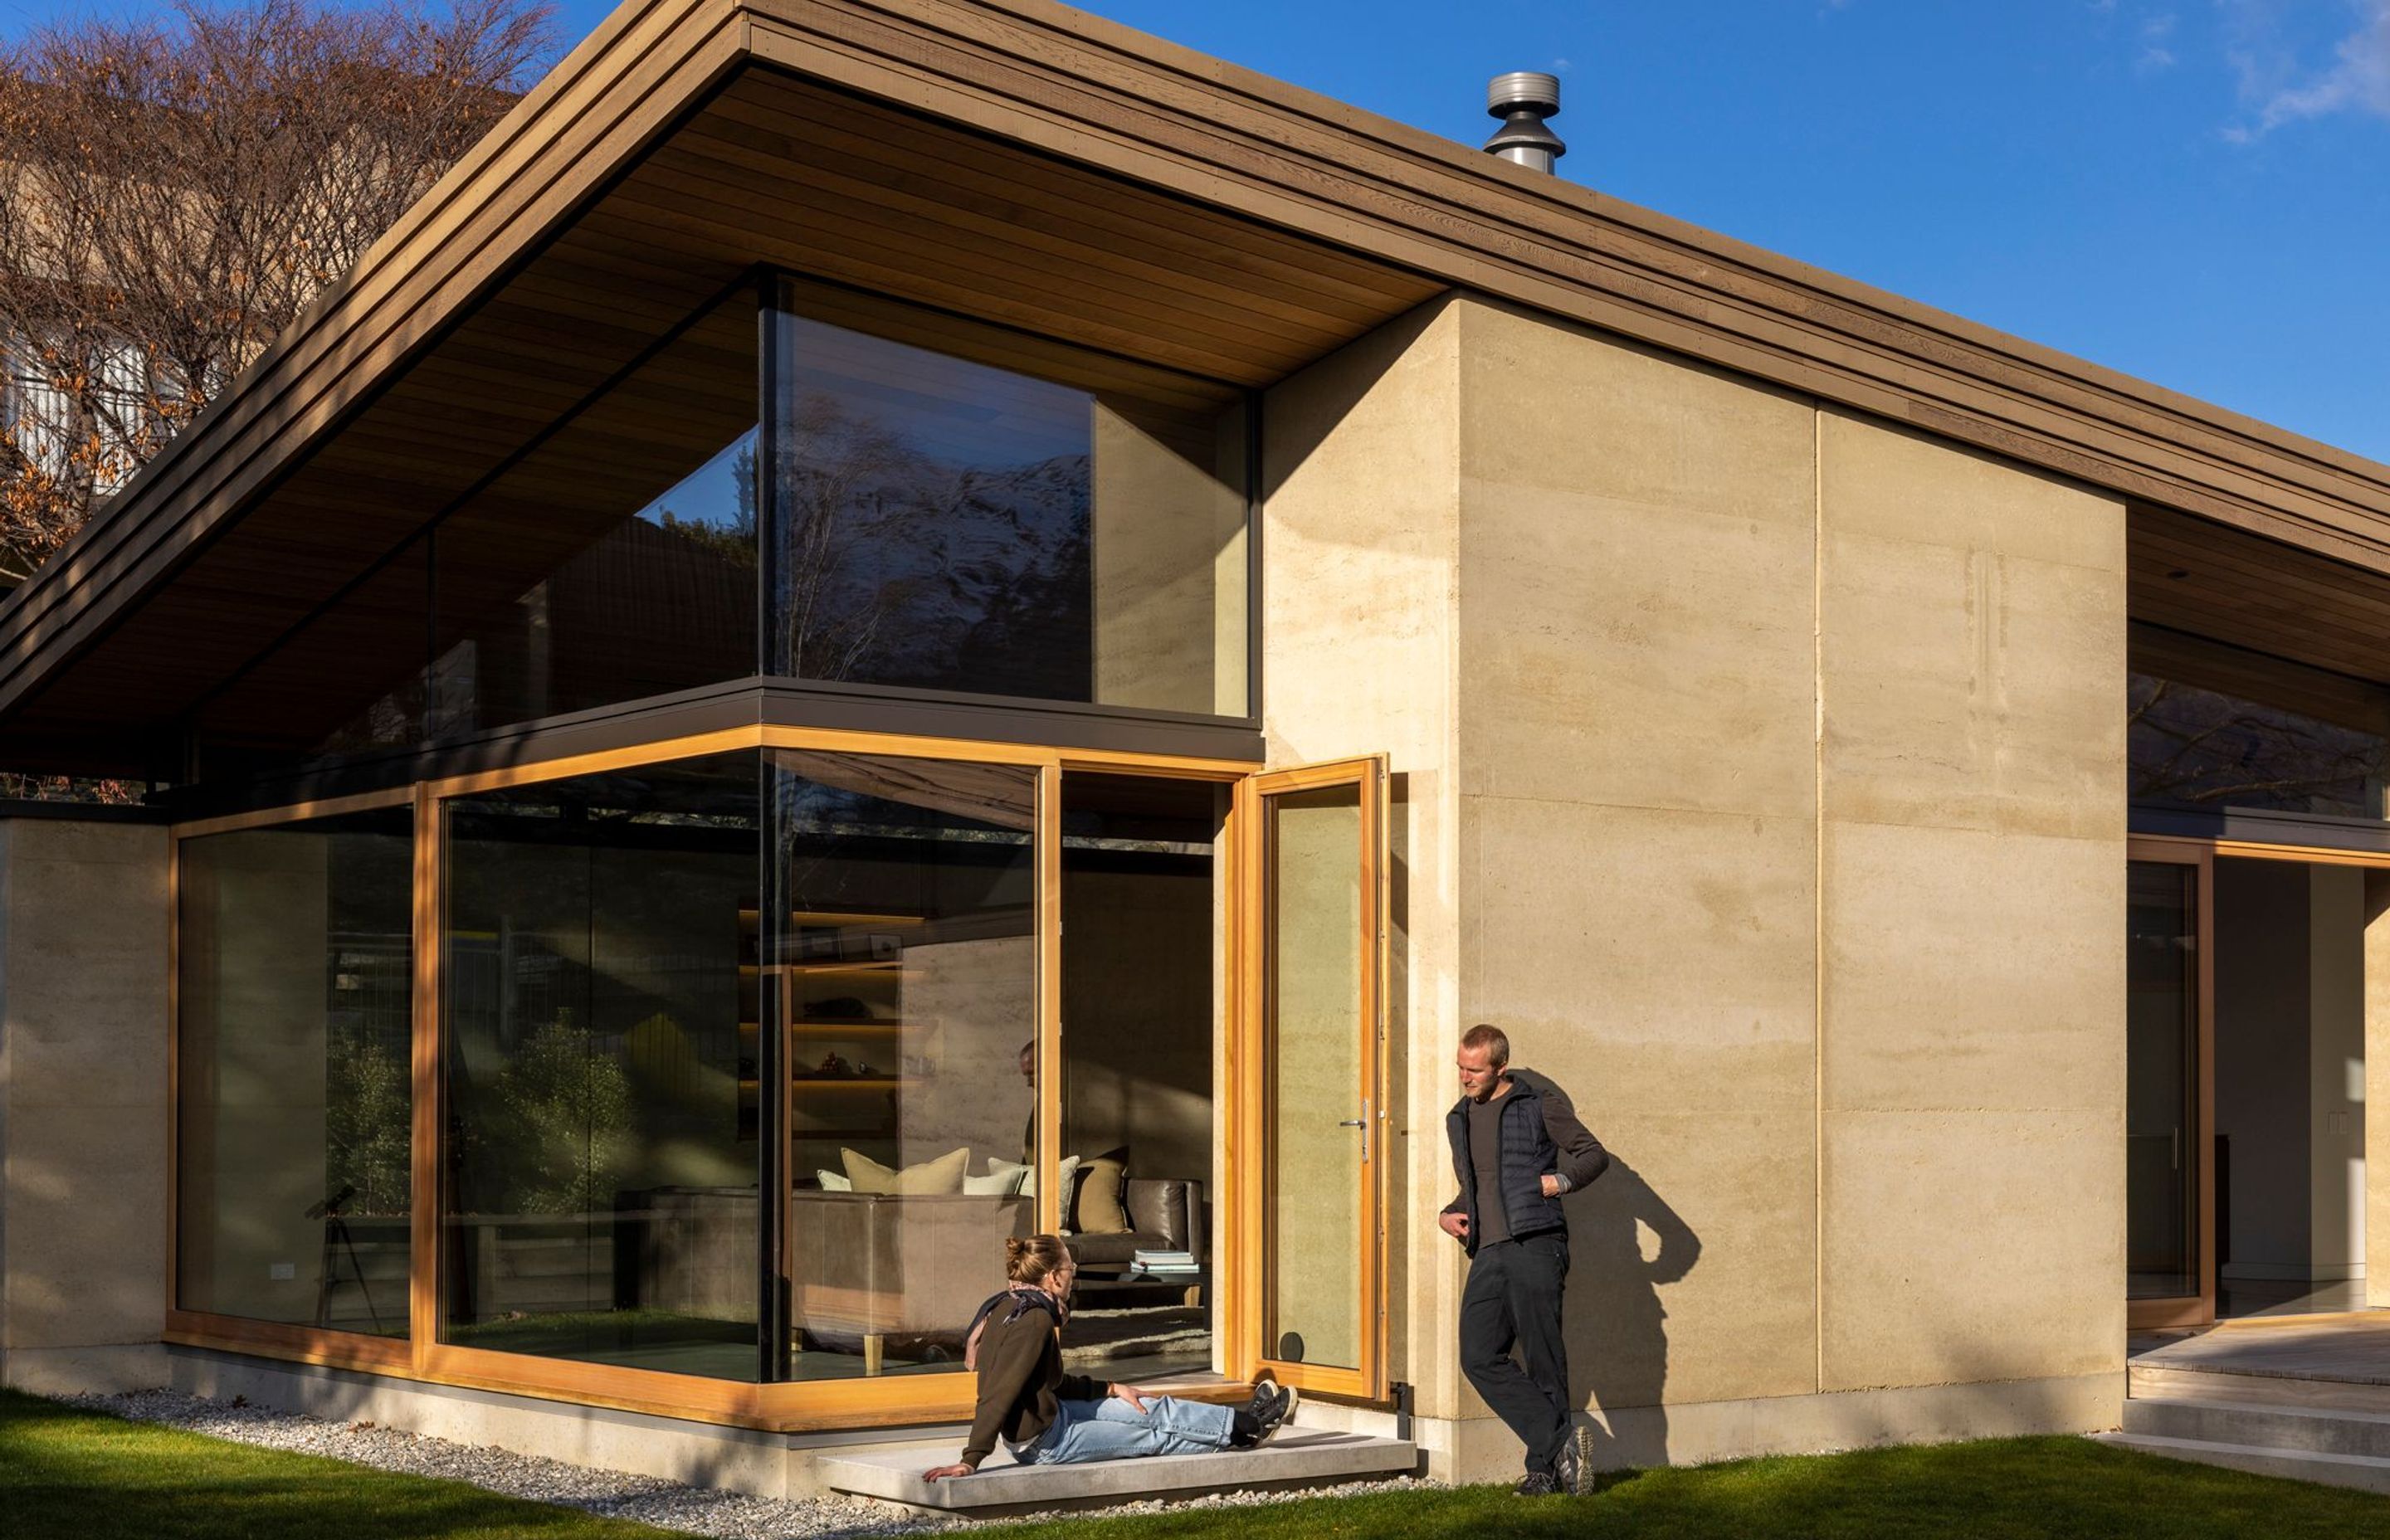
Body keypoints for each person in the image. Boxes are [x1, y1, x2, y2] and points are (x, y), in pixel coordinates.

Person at [923, 1235, 1295, 1479]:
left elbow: (1047, 1384)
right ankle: (1244, 1437)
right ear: (1054, 1277)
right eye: (1071, 1269)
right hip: (1045, 1444)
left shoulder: (1010, 1304)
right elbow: (998, 1392)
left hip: (1057, 1417)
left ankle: (1244, 1420)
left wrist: (1112, 1387)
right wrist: (971, 1458)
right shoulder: (1032, 1320)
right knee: (1152, 1436)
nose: (1074, 1276)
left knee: (1149, 1408)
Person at [1440, 1022, 1610, 1497]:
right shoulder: (1460, 1118)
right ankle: (1561, 1445)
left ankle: (1545, 1473)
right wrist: (1450, 1213)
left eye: (1473, 1070)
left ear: (1500, 1067)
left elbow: (1593, 1156)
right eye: (1460, 1067)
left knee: (1543, 1360)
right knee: (1478, 1356)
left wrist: (1558, 1183)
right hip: (1490, 1249)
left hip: (1537, 1242)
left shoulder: (1538, 1105)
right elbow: (1478, 1184)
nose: (1464, 1077)